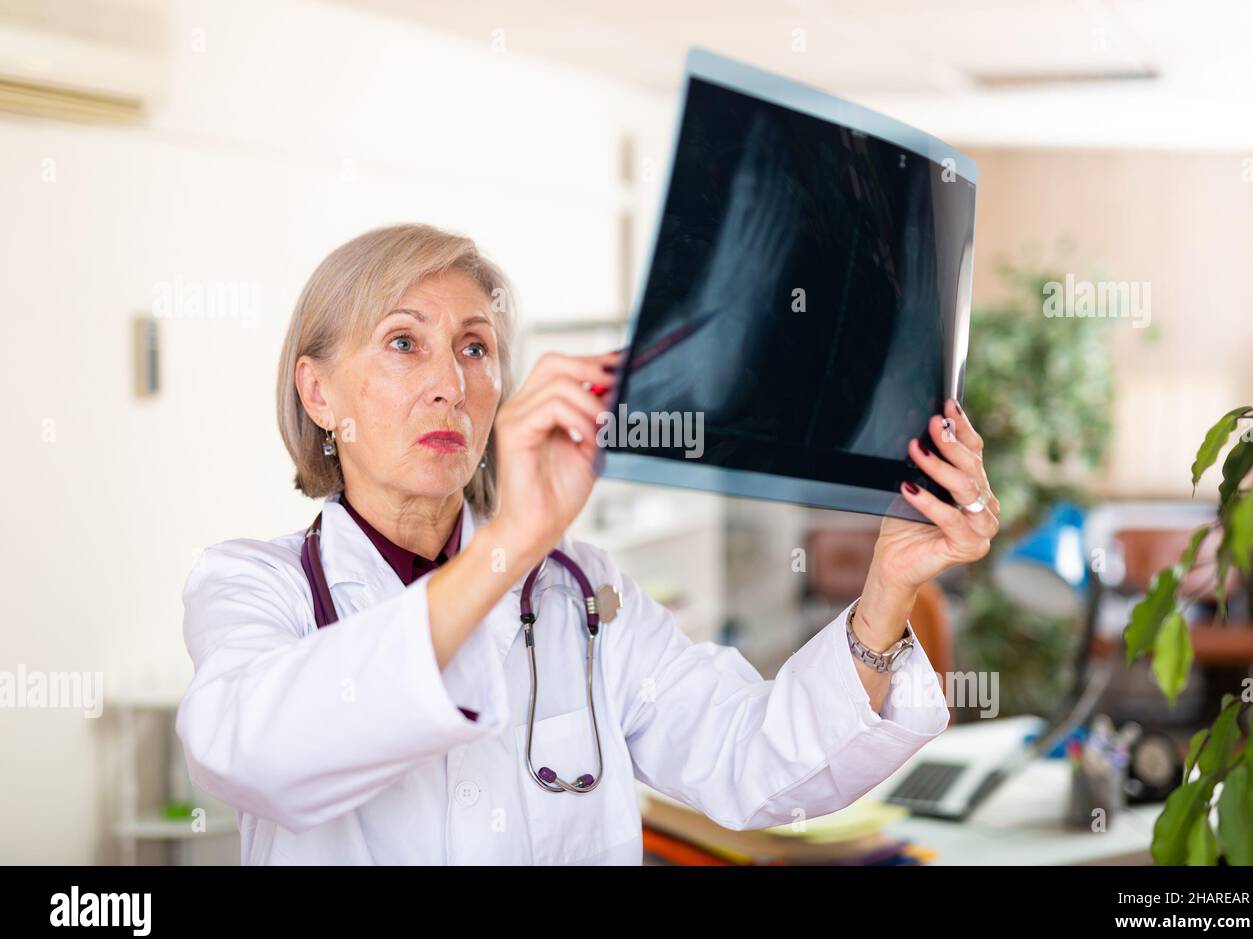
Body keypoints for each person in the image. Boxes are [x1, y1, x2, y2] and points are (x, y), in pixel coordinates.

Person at [176, 223, 1000, 865]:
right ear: (318, 391)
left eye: (475, 347)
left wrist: (890, 585)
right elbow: (257, 755)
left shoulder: (580, 591)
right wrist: (515, 541)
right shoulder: (255, 587)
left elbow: (754, 762)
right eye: (403, 342)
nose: (450, 383)